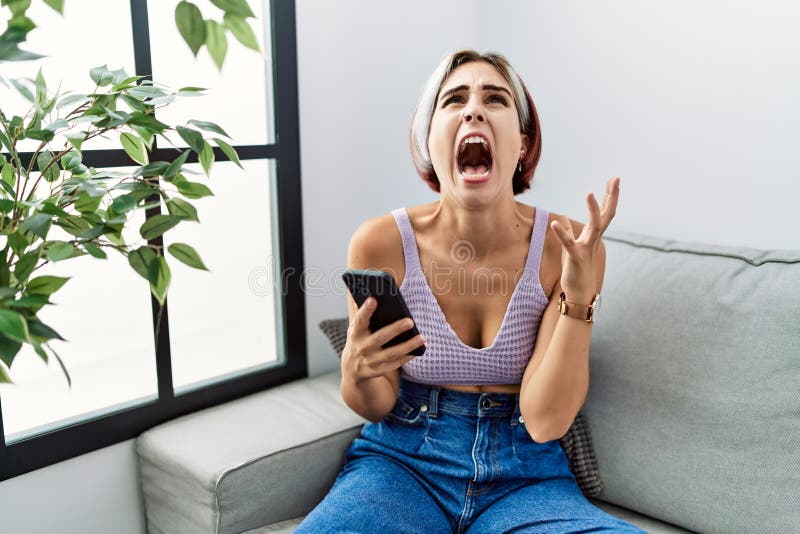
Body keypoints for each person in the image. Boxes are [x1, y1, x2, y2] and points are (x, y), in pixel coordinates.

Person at [296, 49, 643, 533]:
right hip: (402, 465)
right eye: (454, 99)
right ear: (429, 139)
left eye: (495, 99)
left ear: (522, 144)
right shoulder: (380, 243)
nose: (474, 109)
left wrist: (578, 299)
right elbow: (376, 402)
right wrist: (354, 372)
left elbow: (545, 420)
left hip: (527, 478)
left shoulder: (569, 248)